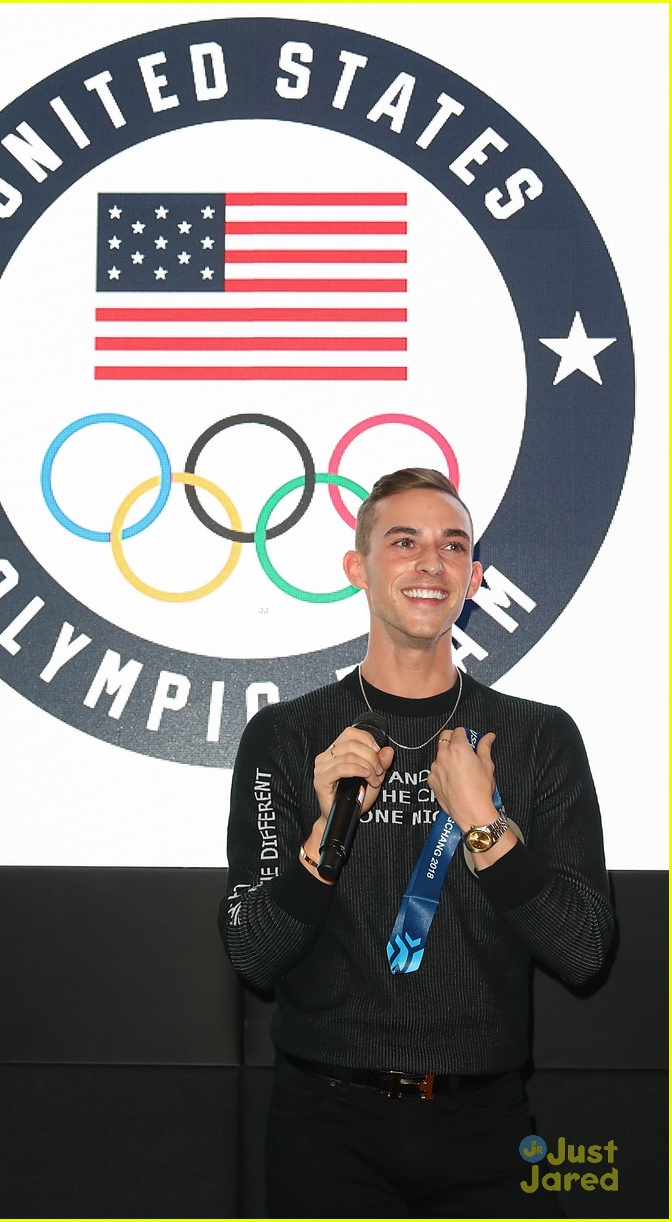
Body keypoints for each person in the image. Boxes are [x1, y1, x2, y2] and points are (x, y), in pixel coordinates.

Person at [218, 468, 613, 1219]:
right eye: (404, 542)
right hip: (324, 1124)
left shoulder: (537, 736)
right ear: (356, 568)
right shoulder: (288, 737)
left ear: (473, 578)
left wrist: (484, 827)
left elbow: (585, 950)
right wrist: (321, 842)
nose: (431, 564)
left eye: (452, 546)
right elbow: (251, 954)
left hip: (486, 1123)